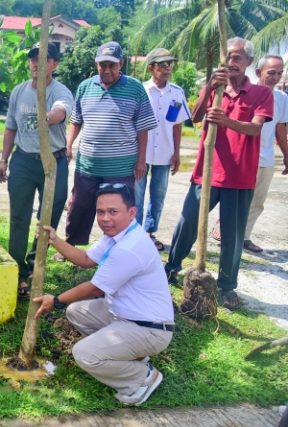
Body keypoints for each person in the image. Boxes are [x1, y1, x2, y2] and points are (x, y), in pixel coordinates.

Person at [33, 182, 174, 406]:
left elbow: (95, 287)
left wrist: (56, 300)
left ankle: (142, 378)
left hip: (150, 329)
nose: (105, 218)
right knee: (77, 312)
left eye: (113, 212)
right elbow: (86, 260)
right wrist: (56, 240)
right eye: (100, 212)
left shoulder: (130, 246)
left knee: (84, 354)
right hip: (126, 315)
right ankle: (131, 358)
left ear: (132, 212)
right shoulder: (117, 235)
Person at [165, 37, 273, 310]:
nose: (232, 62)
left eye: (237, 57)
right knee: (187, 222)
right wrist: (210, 88)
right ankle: (172, 267)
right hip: (207, 172)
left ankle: (227, 286)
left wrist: (226, 120)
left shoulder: (261, 93)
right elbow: (195, 117)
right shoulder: (216, 88)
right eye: (229, 57)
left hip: (239, 177)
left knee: (232, 235)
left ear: (249, 62)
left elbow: (255, 128)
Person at [0, 43, 74, 297]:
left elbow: (62, 111)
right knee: (18, 217)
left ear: (54, 64)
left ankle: (34, 264)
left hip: (53, 162)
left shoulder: (60, 91)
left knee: (48, 218)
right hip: (23, 161)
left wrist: (48, 116)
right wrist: (4, 160)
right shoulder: (19, 92)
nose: (35, 63)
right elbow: (10, 127)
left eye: (43, 59)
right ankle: (16, 269)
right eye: (32, 59)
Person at [64, 41, 157, 250]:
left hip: (121, 167)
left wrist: (141, 160)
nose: (106, 70)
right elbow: (76, 120)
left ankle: (119, 248)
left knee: (118, 209)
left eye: (111, 65)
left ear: (120, 64)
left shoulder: (135, 89)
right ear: (96, 64)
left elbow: (143, 128)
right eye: (102, 65)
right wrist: (69, 145)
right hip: (88, 164)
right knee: (79, 204)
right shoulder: (85, 87)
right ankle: (72, 245)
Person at [209, 54, 288, 253]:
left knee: (257, 201)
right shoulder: (247, 91)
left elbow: (280, 129)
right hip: (243, 157)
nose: (276, 77)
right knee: (234, 199)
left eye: (280, 73)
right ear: (259, 71)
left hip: (266, 159)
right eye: (271, 72)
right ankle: (224, 231)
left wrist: (287, 155)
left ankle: (243, 237)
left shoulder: (282, 98)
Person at [137, 48, 190, 251]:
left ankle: (149, 232)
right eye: (162, 64)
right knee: (137, 194)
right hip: (141, 153)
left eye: (170, 64)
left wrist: (177, 152)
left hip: (165, 152)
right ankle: (135, 234)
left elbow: (177, 124)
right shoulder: (141, 90)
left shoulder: (176, 92)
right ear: (151, 68)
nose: (167, 68)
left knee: (158, 194)